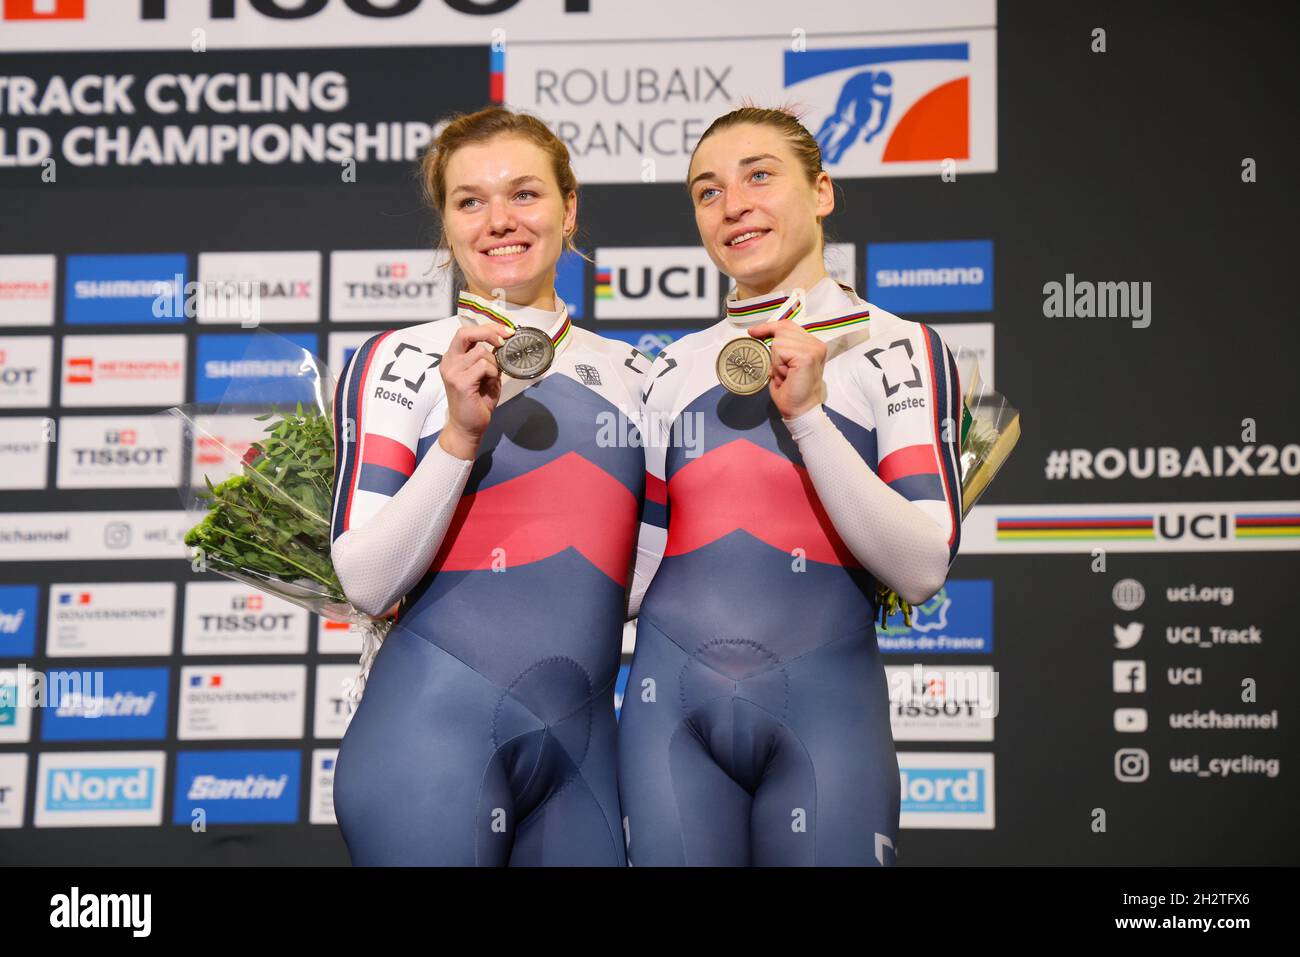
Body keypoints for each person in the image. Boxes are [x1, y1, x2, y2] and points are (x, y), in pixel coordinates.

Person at [618, 106, 964, 866]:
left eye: (759, 176)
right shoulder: (670, 370)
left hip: (826, 719)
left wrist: (807, 415)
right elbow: (633, 574)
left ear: (823, 191)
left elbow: (921, 566)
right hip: (668, 722)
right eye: (707, 192)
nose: (732, 203)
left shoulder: (897, 347)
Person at [329, 106, 651, 866]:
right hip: (428, 739)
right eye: (470, 200)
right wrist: (459, 436)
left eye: (525, 194)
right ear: (446, 225)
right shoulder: (400, 361)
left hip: (585, 760)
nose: (499, 220)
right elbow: (366, 580)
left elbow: (649, 580)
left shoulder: (641, 376)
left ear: (569, 210)